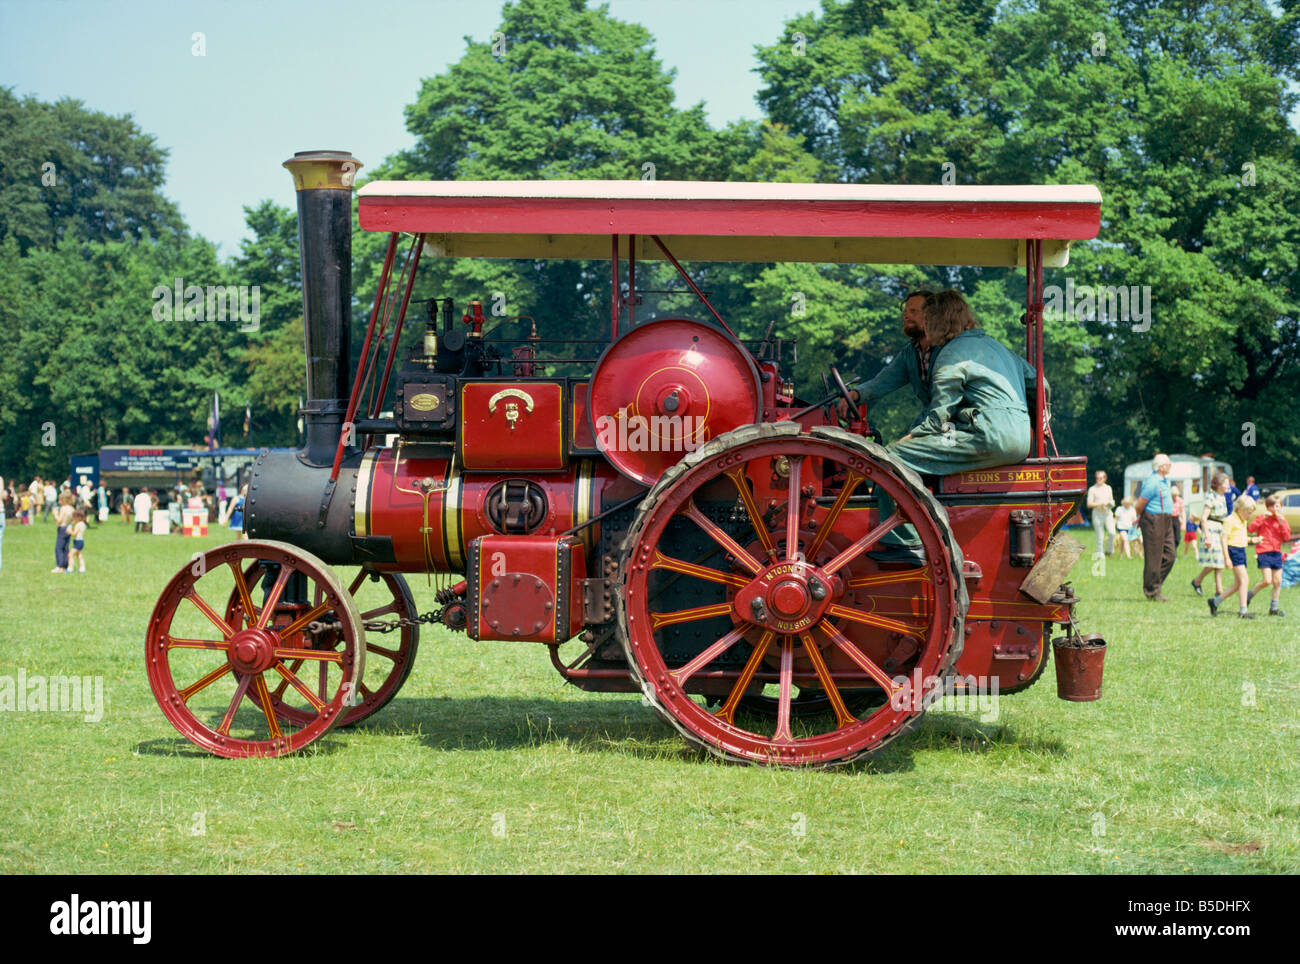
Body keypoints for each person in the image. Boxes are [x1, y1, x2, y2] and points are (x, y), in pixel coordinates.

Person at [887, 290, 1033, 476]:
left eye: (928, 320)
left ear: (939, 322)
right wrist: (1035, 427)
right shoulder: (999, 348)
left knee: (890, 457)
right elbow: (1040, 385)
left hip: (987, 438)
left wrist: (905, 441)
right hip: (1022, 443)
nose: (924, 326)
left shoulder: (949, 356)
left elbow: (938, 421)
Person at [841, 290, 935, 429]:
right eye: (905, 312)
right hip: (931, 420)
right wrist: (856, 393)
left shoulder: (948, 349)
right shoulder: (910, 353)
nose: (906, 316)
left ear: (931, 316)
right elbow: (883, 381)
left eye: (913, 311)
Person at [1135, 453, 1177, 600]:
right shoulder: (1152, 482)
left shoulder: (1165, 481)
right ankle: (1152, 591)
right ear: (1160, 467)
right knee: (1154, 556)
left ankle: (1155, 583)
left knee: (1170, 555)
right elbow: (1140, 504)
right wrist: (1139, 517)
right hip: (1153, 519)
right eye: (1168, 464)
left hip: (1166, 519)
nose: (1170, 466)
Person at [1209, 494, 1257, 618]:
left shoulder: (1243, 520)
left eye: (1251, 513)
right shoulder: (1230, 520)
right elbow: (1224, 539)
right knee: (1245, 580)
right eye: (1247, 512)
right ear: (1239, 509)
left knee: (1238, 584)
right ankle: (1243, 611)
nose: (1249, 515)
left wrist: (1252, 540)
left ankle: (1215, 602)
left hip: (1241, 550)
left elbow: (1240, 537)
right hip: (1233, 551)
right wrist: (1227, 558)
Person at [1246, 494, 1291, 616]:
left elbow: (1287, 537)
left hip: (1276, 552)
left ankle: (1274, 608)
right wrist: (1261, 518)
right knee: (1267, 581)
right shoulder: (1263, 518)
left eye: (1277, 506)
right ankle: (1248, 596)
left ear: (1280, 507)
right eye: (1272, 506)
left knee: (1277, 581)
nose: (1275, 509)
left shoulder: (1282, 519)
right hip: (1264, 551)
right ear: (1267, 507)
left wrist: (1282, 524)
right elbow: (1250, 529)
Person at [1191, 472, 1230, 599]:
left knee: (1219, 561)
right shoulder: (1211, 497)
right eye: (1226, 483)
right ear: (1219, 485)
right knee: (1216, 560)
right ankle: (1199, 581)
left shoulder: (1223, 497)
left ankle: (1218, 589)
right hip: (1211, 529)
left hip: (1220, 530)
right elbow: (1203, 518)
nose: (1228, 485)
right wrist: (1206, 535)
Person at [1086, 470, 1115, 558]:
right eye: (1097, 478)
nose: (1098, 480)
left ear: (1105, 478)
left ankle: (1109, 551)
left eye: (1101, 478)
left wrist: (1111, 503)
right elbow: (1089, 504)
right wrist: (1100, 503)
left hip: (1107, 513)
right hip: (1097, 514)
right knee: (1100, 535)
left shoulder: (1108, 488)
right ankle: (1100, 554)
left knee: (1112, 532)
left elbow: (1111, 500)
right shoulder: (1092, 489)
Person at [52, 491, 75, 573]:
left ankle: (60, 566)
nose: (59, 502)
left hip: (62, 529)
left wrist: (55, 514)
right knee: (66, 548)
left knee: (58, 548)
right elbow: (73, 521)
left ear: (64, 500)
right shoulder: (72, 508)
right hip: (68, 529)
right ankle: (65, 566)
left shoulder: (63, 508)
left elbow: (59, 521)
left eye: (60, 500)